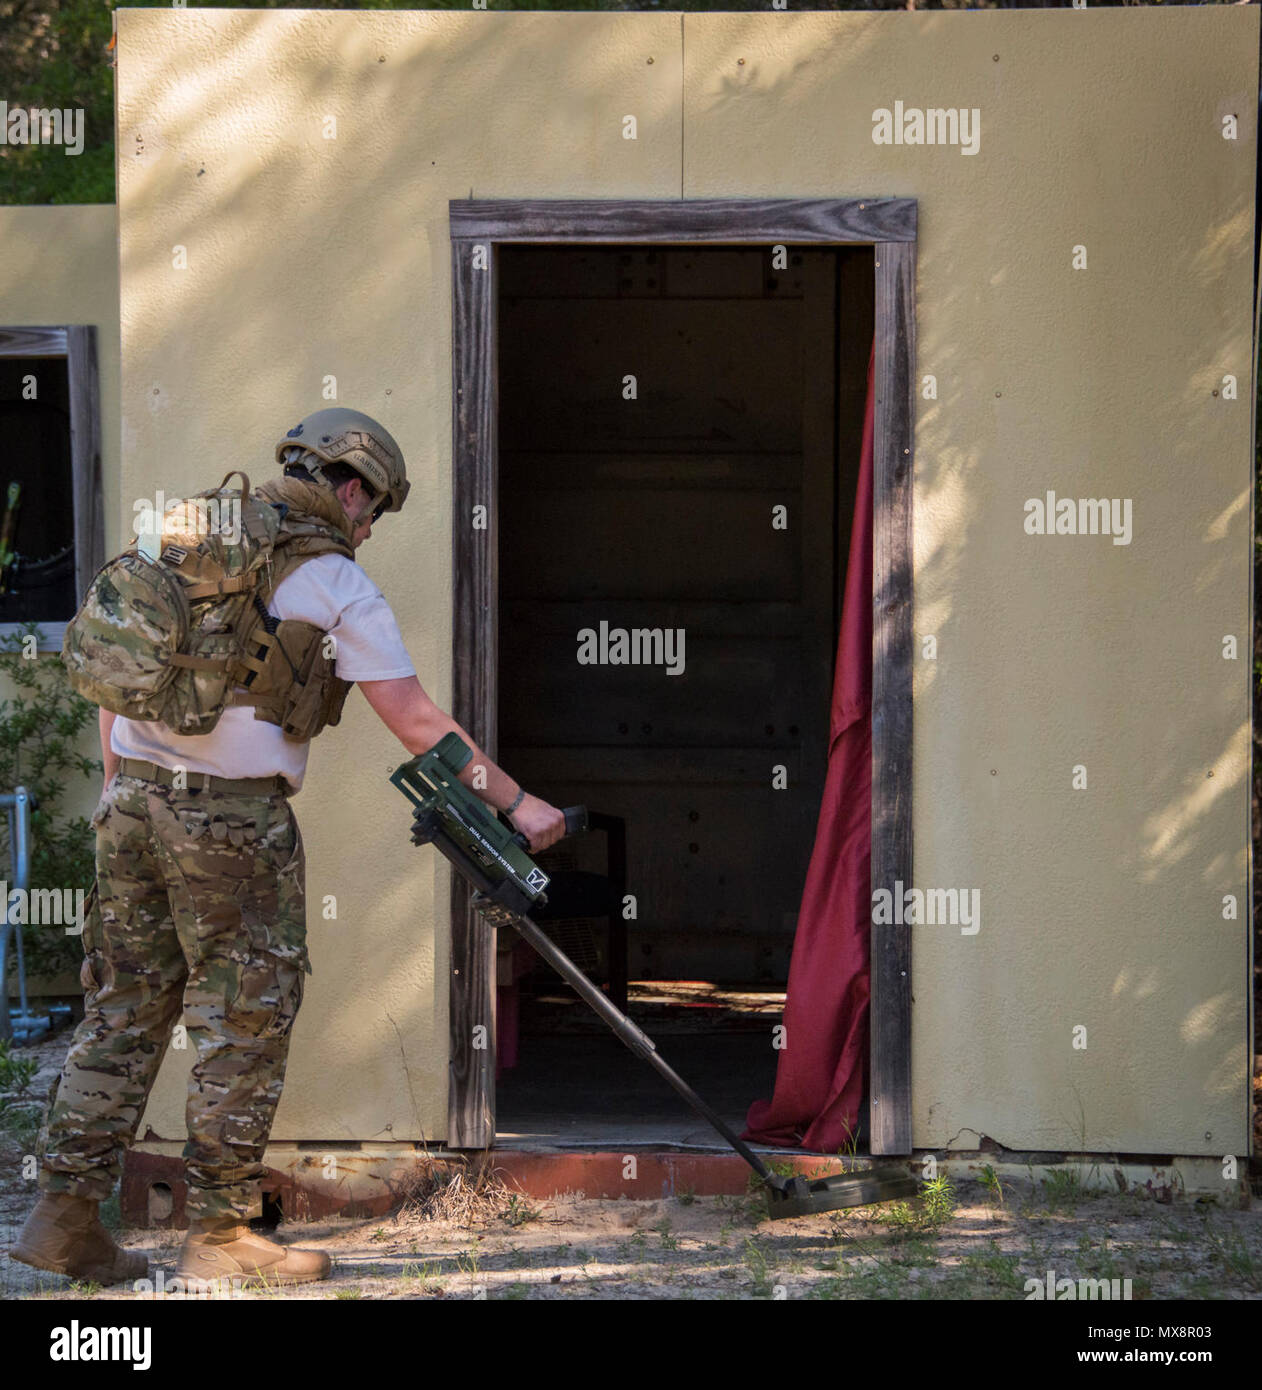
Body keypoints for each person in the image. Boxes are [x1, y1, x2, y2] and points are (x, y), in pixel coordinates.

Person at [10, 408, 565, 1288]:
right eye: (372, 508)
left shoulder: (183, 533)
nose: (370, 527)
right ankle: (223, 1237)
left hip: (132, 812)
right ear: (349, 489)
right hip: (233, 828)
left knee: (120, 1013)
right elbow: (418, 724)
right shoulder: (334, 581)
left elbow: (116, 674)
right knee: (243, 1022)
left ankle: (62, 1219)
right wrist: (520, 802)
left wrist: (120, 780)